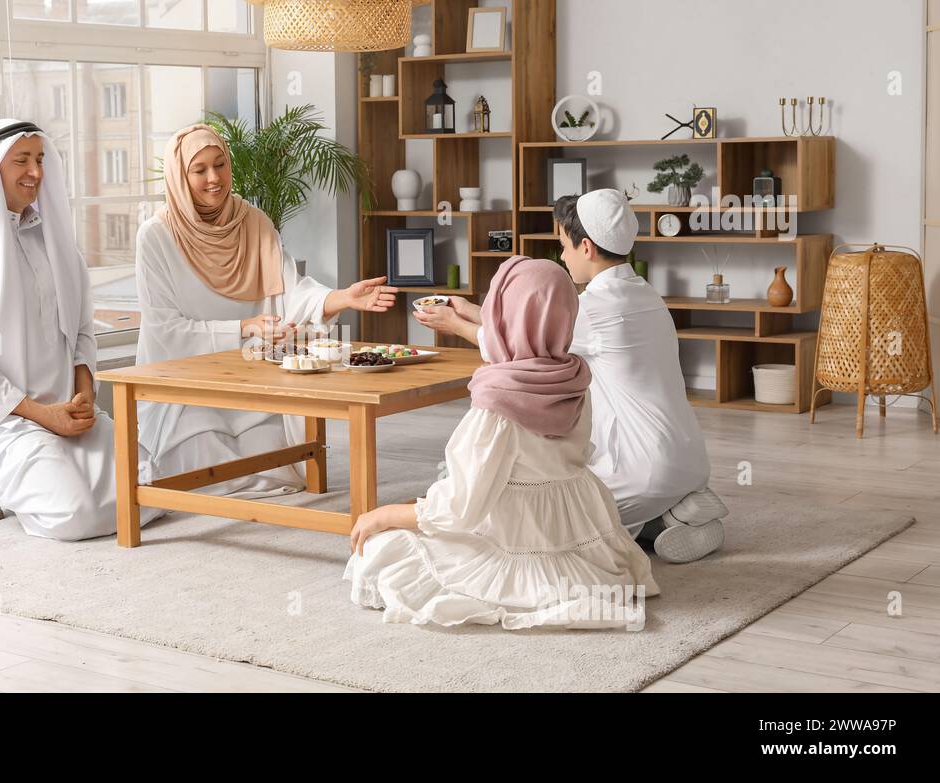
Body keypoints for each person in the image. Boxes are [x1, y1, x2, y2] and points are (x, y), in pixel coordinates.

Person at [413, 189, 728, 564]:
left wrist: (455, 323)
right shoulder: (644, 294)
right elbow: (530, 323)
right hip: (689, 460)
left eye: (562, 246)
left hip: (643, 469)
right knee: (582, 508)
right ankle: (677, 512)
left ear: (587, 248)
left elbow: (517, 346)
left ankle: (657, 523)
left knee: (536, 522)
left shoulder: (593, 308)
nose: (561, 256)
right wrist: (471, 309)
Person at [344, 257, 659, 630]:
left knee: (381, 551)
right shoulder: (574, 375)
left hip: (512, 533)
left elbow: (462, 508)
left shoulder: (499, 400)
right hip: (577, 526)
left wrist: (384, 514)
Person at [0, 118, 159, 541]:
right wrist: (43, 416)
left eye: (40, 159)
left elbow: (80, 332)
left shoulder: (56, 243)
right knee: (73, 514)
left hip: (67, 407)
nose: (36, 172)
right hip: (4, 419)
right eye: (21, 160)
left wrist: (83, 396)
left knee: (151, 489)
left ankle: (27, 477)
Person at [134, 123, 398, 496]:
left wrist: (344, 298)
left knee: (283, 469)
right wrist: (245, 327)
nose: (214, 178)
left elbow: (293, 291)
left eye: (220, 164)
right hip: (188, 386)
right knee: (200, 460)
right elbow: (164, 329)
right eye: (199, 170)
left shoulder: (253, 222)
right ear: (180, 176)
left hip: (253, 382)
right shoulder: (156, 236)